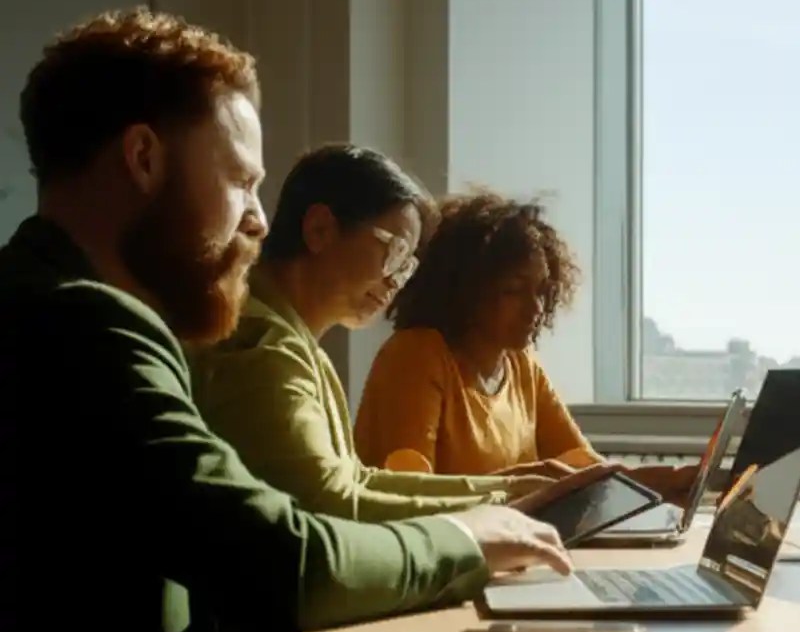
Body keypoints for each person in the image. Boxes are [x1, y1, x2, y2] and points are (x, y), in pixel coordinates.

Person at [0, 10, 572, 632]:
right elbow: (283, 561)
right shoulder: (83, 324)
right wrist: (467, 538)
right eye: (241, 179)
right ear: (144, 158)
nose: (260, 219)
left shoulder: (43, 296)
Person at [188, 144, 565, 521]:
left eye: (407, 267)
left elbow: (358, 480)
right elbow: (331, 504)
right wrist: (503, 507)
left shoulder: (300, 345)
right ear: (319, 230)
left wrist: (510, 489)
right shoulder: (262, 348)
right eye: (395, 251)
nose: (394, 282)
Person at [354, 191, 696, 500]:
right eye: (514, 290)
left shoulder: (521, 364)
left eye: (542, 291)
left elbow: (577, 465)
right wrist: (527, 480)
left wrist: (662, 483)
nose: (536, 308)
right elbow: (408, 492)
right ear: (464, 290)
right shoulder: (416, 355)